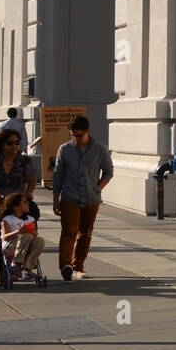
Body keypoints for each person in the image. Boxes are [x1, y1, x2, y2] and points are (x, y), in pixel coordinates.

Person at [51, 116, 113, 282]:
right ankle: (66, 265)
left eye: (79, 135)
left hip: (92, 198)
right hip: (70, 196)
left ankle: (78, 266)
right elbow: (57, 176)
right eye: (73, 135)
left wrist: (98, 187)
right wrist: (56, 199)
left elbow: (108, 171)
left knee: (86, 233)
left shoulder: (100, 149)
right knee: (69, 231)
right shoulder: (65, 149)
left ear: (88, 132)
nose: (76, 139)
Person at [0, 130, 37, 281]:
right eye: (10, 143)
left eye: (17, 143)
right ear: (1, 145)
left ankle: (15, 266)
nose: (14, 146)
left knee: (25, 229)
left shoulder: (26, 162)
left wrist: (29, 193)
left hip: (19, 204)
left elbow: (32, 180)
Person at [0, 191, 46, 274]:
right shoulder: (7, 219)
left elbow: (35, 234)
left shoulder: (30, 219)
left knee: (39, 240)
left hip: (27, 245)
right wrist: (18, 231)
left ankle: (28, 265)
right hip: (10, 246)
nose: (28, 204)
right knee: (26, 235)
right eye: (24, 202)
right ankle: (17, 263)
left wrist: (34, 232)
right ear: (16, 206)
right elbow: (5, 237)